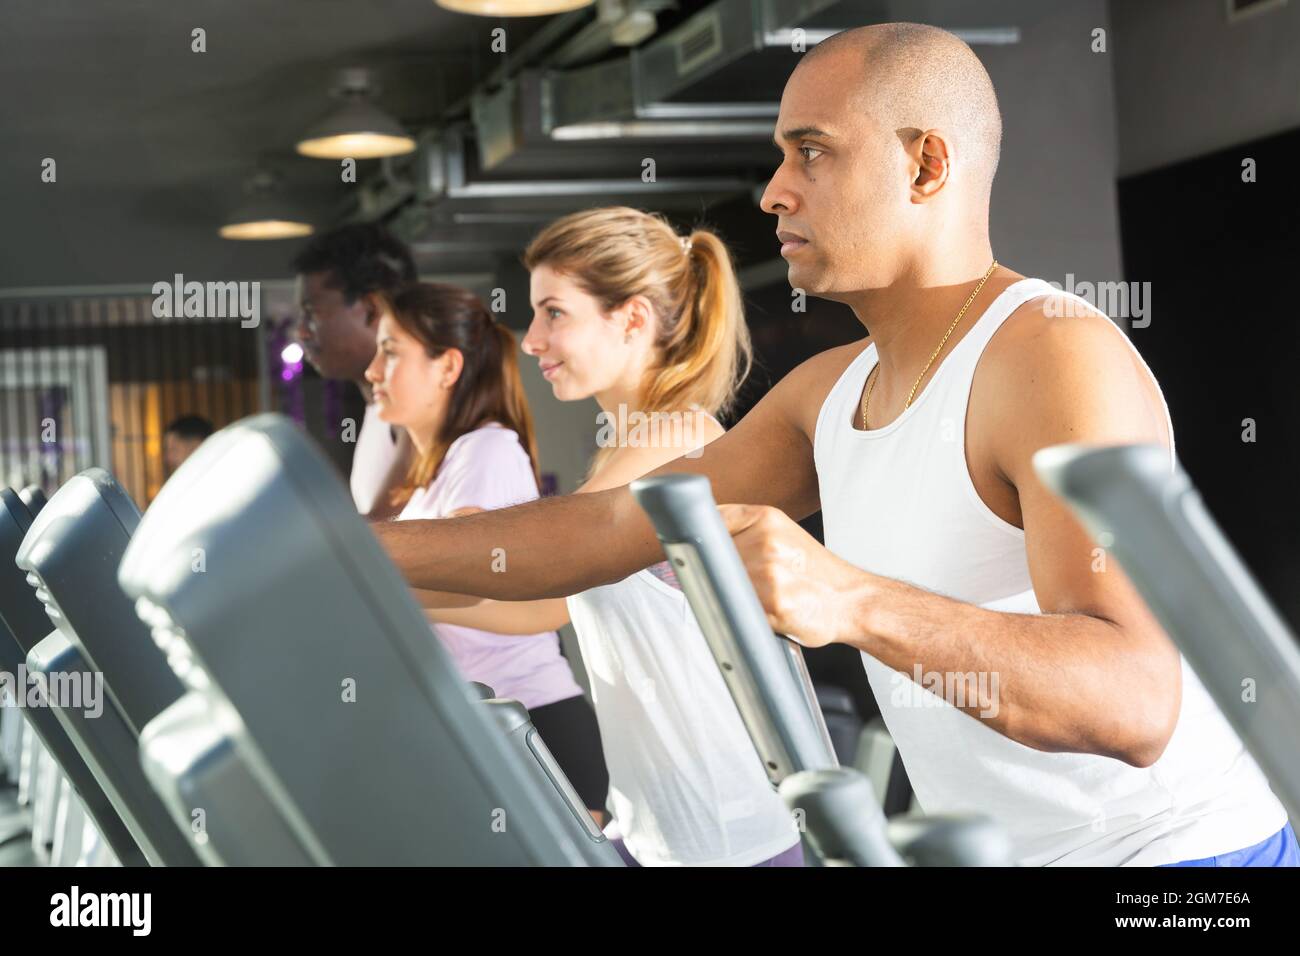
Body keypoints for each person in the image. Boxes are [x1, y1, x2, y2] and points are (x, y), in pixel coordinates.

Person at [373, 24, 1296, 866]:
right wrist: (344, 550)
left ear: (926, 164)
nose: (775, 190)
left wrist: (850, 598)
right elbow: (602, 529)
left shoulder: (1052, 354)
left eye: (811, 152)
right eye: (781, 156)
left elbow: (1133, 701)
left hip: (1183, 866)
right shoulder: (829, 393)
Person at [424, 207, 804, 867]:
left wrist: (398, 563)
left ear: (630, 319)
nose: (532, 339)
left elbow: (541, 571)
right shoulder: (621, 454)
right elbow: (547, 605)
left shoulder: (676, 441)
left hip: (725, 837)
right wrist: (386, 591)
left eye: (555, 313)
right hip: (657, 831)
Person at [365, 280, 609, 823]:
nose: (372, 372)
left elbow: (475, 581)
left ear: (447, 368)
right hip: (482, 723)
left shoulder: (487, 448)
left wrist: (361, 584)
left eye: (389, 351)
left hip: (532, 724)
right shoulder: (432, 473)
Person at [292, 222, 417, 517]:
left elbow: (379, 540)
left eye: (312, 313)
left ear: (372, 309)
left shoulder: (418, 406)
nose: (302, 332)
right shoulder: (379, 409)